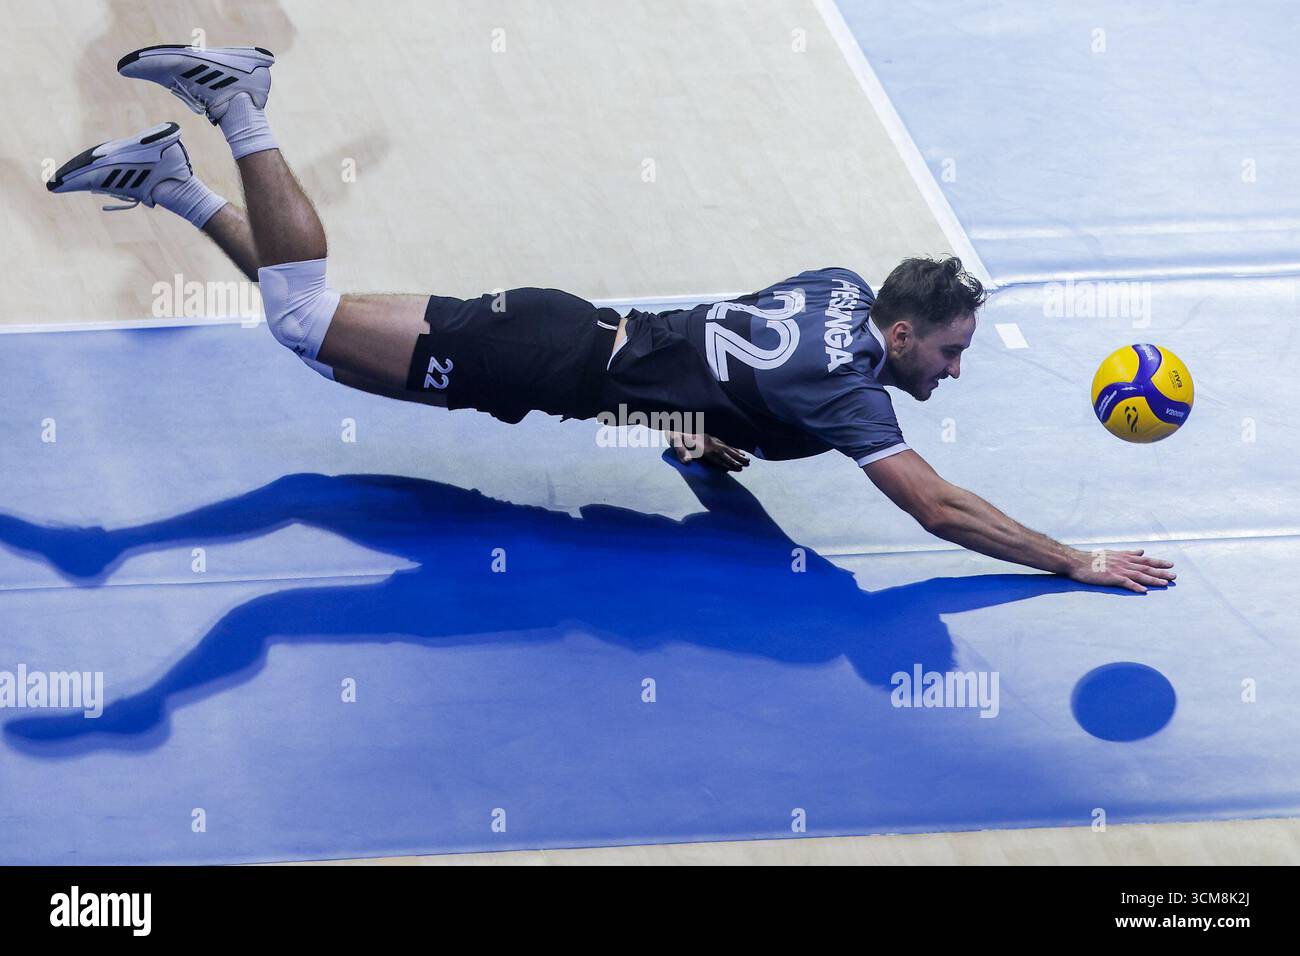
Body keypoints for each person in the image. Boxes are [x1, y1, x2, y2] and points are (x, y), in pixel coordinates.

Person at [47, 43, 1175, 594]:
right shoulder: (844, 391)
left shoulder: (837, 283)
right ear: (899, 333)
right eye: (951, 350)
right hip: (540, 354)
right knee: (307, 324)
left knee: (325, 348)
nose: (958, 370)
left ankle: (170, 183)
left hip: (572, 340)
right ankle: (238, 102)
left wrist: (686, 431)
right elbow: (934, 509)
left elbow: (714, 351)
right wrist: (1072, 559)